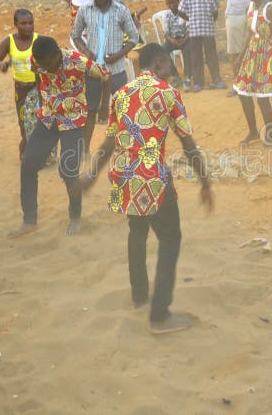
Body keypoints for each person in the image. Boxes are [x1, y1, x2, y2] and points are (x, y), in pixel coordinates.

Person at [80, 43, 214, 334]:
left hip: (123, 176)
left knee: (137, 231)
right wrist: (205, 182)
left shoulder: (122, 94)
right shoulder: (168, 93)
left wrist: (91, 177)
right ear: (162, 61)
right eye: (169, 66)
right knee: (170, 239)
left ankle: (139, 294)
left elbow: (109, 142)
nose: (171, 72)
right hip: (152, 178)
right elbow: (188, 146)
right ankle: (160, 315)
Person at [9, 36, 110, 238]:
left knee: (68, 169)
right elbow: (38, 77)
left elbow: (105, 75)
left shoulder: (76, 61)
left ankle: (75, 216)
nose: (48, 68)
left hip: (73, 119)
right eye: (43, 64)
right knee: (28, 165)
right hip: (49, 117)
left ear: (57, 54)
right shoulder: (36, 61)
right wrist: (41, 101)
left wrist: (104, 106)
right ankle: (29, 220)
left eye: (50, 63)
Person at [72, 0, 139, 153]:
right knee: (90, 111)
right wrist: (86, 52)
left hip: (116, 70)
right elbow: (75, 35)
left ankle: (124, 147)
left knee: (122, 110)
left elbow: (134, 37)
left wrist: (120, 54)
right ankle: (85, 150)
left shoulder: (121, 10)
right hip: (93, 72)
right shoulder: (85, 10)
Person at [234, 0, 272, 145]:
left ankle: (269, 133)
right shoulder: (249, 7)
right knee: (243, 93)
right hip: (251, 55)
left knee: (262, 97)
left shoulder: (271, 10)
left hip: (267, 56)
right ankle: (253, 131)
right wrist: (239, 58)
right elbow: (249, 35)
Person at [0, 9, 38, 159]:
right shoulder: (8, 41)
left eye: (31, 23)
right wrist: (1, 65)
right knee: (24, 121)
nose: (28, 26)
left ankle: (44, 154)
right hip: (21, 88)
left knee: (41, 120)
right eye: (23, 23)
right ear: (15, 24)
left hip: (39, 86)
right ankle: (25, 150)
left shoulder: (39, 40)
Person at [178, 0, 221, 93]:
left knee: (212, 55)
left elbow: (215, 11)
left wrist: (211, 21)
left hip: (208, 31)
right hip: (194, 32)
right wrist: (190, 19)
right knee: (196, 57)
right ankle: (198, 82)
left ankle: (216, 79)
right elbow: (181, 11)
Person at [162, 0, 189, 88]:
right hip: (172, 40)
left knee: (188, 50)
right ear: (167, 5)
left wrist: (184, 39)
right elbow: (165, 33)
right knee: (163, 51)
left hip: (184, 39)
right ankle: (175, 76)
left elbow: (189, 29)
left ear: (178, 2)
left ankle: (187, 77)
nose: (172, 5)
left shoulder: (184, 13)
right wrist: (172, 40)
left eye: (174, 2)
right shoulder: (166, 16)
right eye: (169, 3)